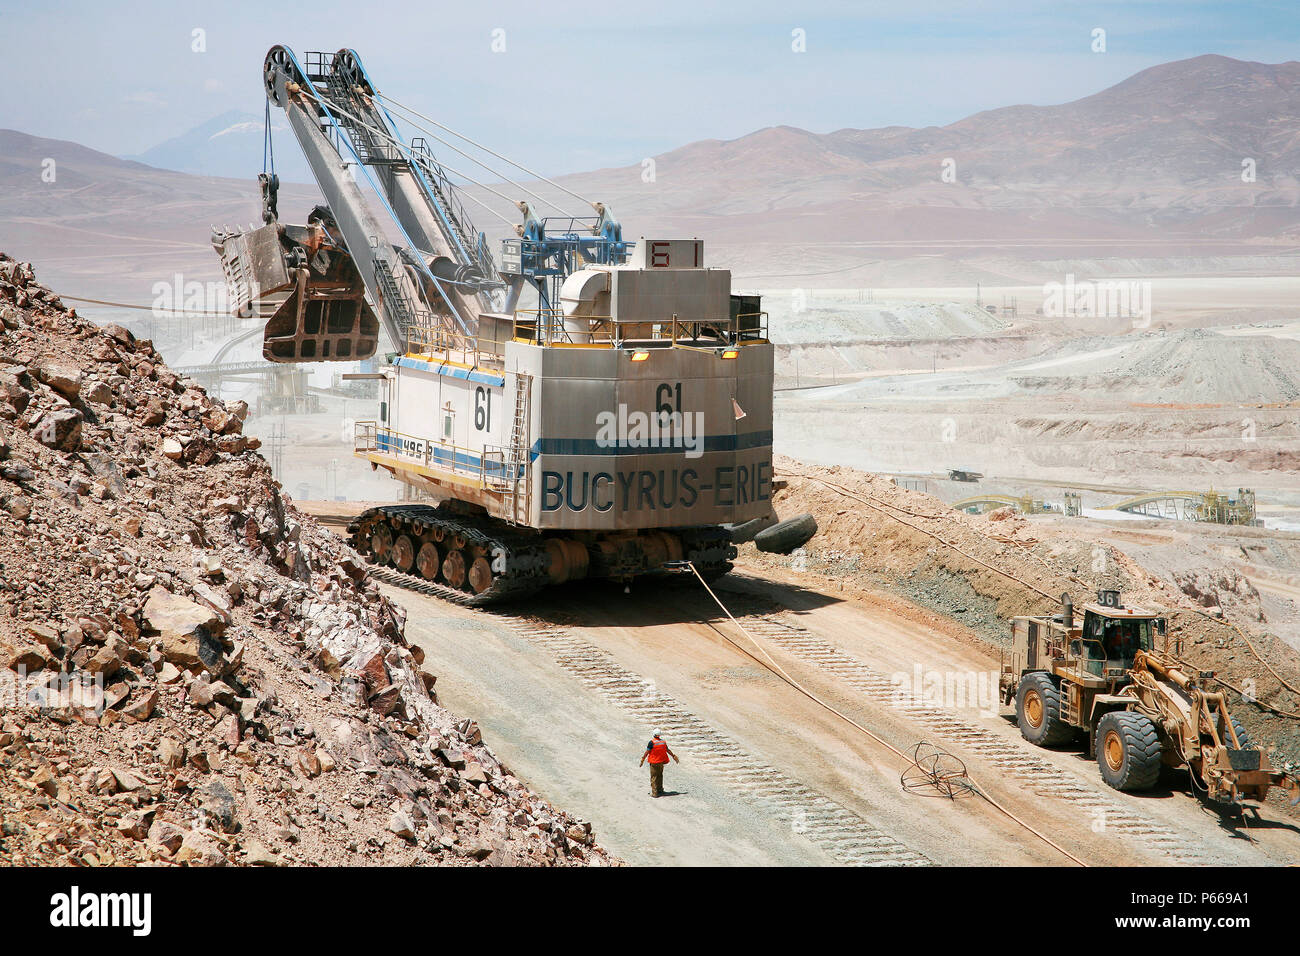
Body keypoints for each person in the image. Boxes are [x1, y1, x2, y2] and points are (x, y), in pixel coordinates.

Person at [639, 731, 678, 797]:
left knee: (654, 777)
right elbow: (668, 750)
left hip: (654, 762)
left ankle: (655, 793)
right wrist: (673, 756)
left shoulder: (651, 742)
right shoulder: (663, 742)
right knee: (660, 775)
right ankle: (660, 790)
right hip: (661, 762)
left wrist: (643, 759)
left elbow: (647, 751)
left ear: (653, 734)